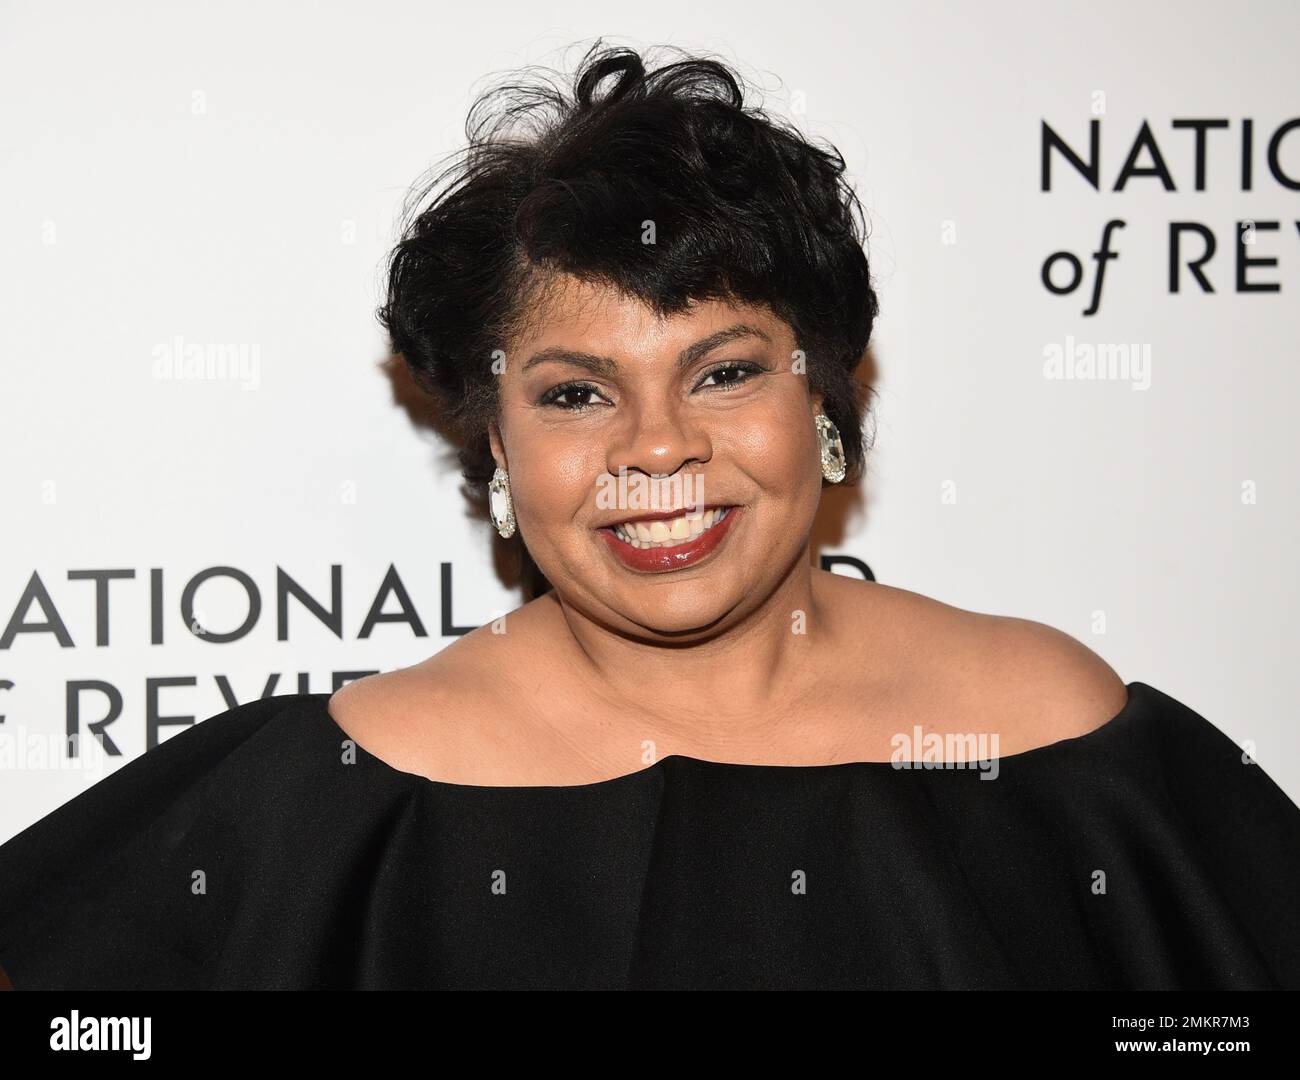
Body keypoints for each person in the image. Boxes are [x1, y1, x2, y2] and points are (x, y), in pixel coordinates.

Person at [1, 41, 1297, 991]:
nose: (660, 447)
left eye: (725, 372)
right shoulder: (329, 803)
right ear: (494, 441)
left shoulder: (1068, 747)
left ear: (826, 400)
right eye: (577, 393)